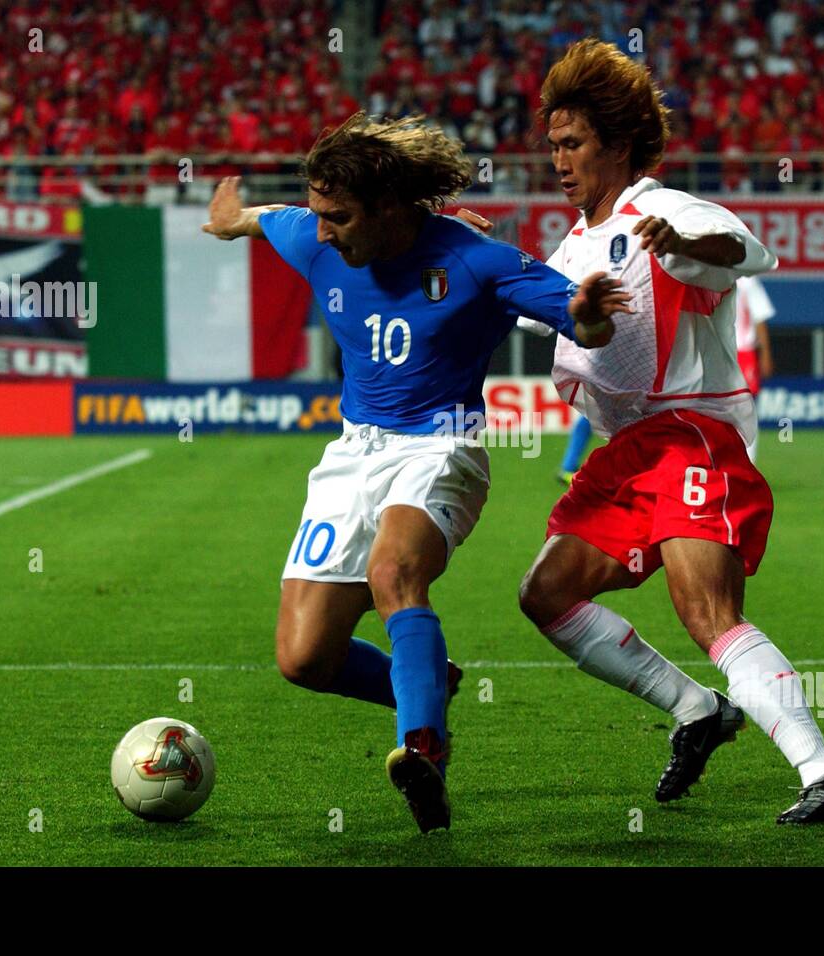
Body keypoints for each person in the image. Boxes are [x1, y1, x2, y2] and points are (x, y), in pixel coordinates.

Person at [201, 113, 629, 833]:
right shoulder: (316, 236)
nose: (325, 231)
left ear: (391, 208)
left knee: (394, 573)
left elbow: (586, 324)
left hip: (442, 447)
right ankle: (431, 683)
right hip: (352, 455)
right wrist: (234, 218)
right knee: (304, 658)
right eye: (319, 215)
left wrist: (588, 316)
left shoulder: (477, 261)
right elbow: (273, 218)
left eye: (339, 217)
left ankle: (423, 745)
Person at [513, 40, 824, 825]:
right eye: (553, 145)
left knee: (705, 610)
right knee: (545, 593)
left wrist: (680, 249)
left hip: (689, 435)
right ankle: (697, 709)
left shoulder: (665, 211)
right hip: (627, 452)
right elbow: (518, 303)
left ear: (615, 142)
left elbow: (745, 251)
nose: (560, 160)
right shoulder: (573, 246)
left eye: (572, 144)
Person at [733, 275, 776, 461]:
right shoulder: (709, 273)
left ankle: (748, 464)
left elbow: (760, 317)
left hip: (743, 353)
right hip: (716, 352)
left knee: (745, 413)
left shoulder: (747, 279)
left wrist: (765, 354)